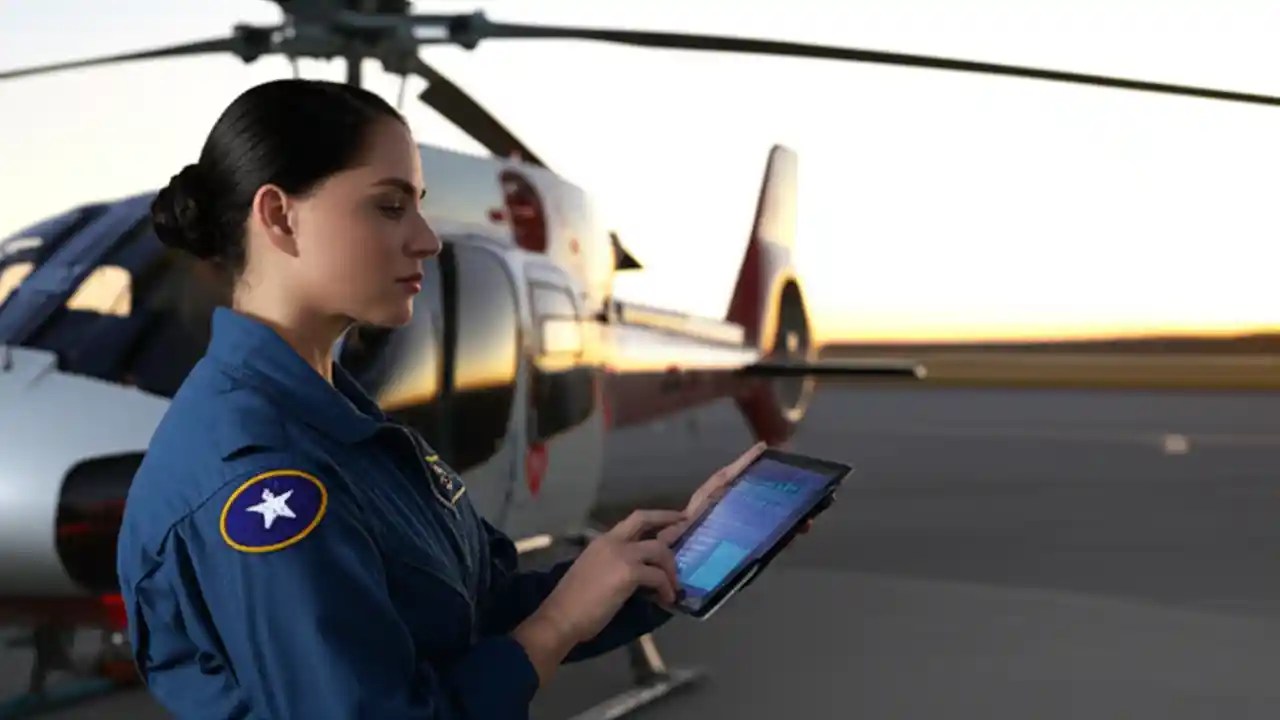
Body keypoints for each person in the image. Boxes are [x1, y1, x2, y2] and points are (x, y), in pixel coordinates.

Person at [115, 78, 815, 720]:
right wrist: (556, 626)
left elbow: (477, 610)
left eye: (418, 207)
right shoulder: (264, 484)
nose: (426, 240)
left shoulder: (343, 424)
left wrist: (674, 554)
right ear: (280, 218)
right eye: (389, 207)